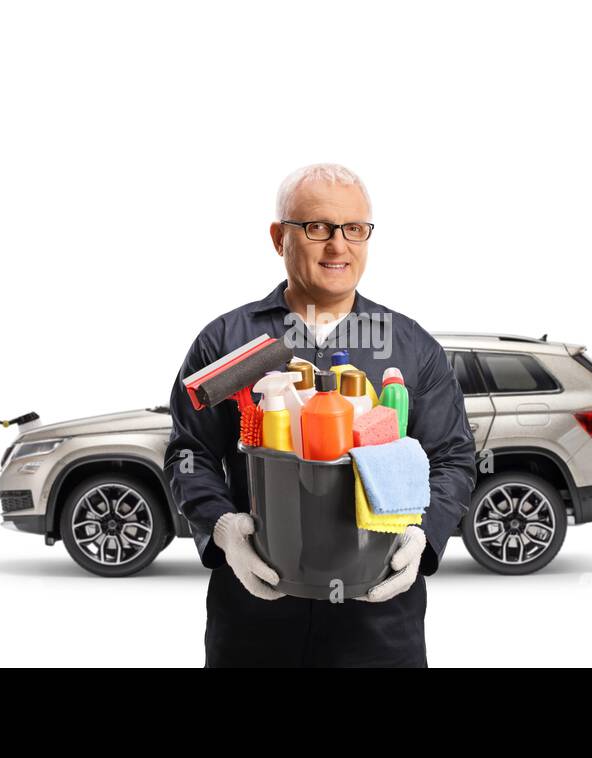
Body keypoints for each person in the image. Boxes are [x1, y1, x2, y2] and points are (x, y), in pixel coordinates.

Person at [164, 163, 477, 667]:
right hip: (254, 616)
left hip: (378, 621)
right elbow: (188, 453)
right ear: (278, 238)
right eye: (317, 228)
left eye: (354, 229)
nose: (338, 246)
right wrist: (222, 528)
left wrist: (425, 535)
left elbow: (453, 458)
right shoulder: (225, 341)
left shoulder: (411, 346)